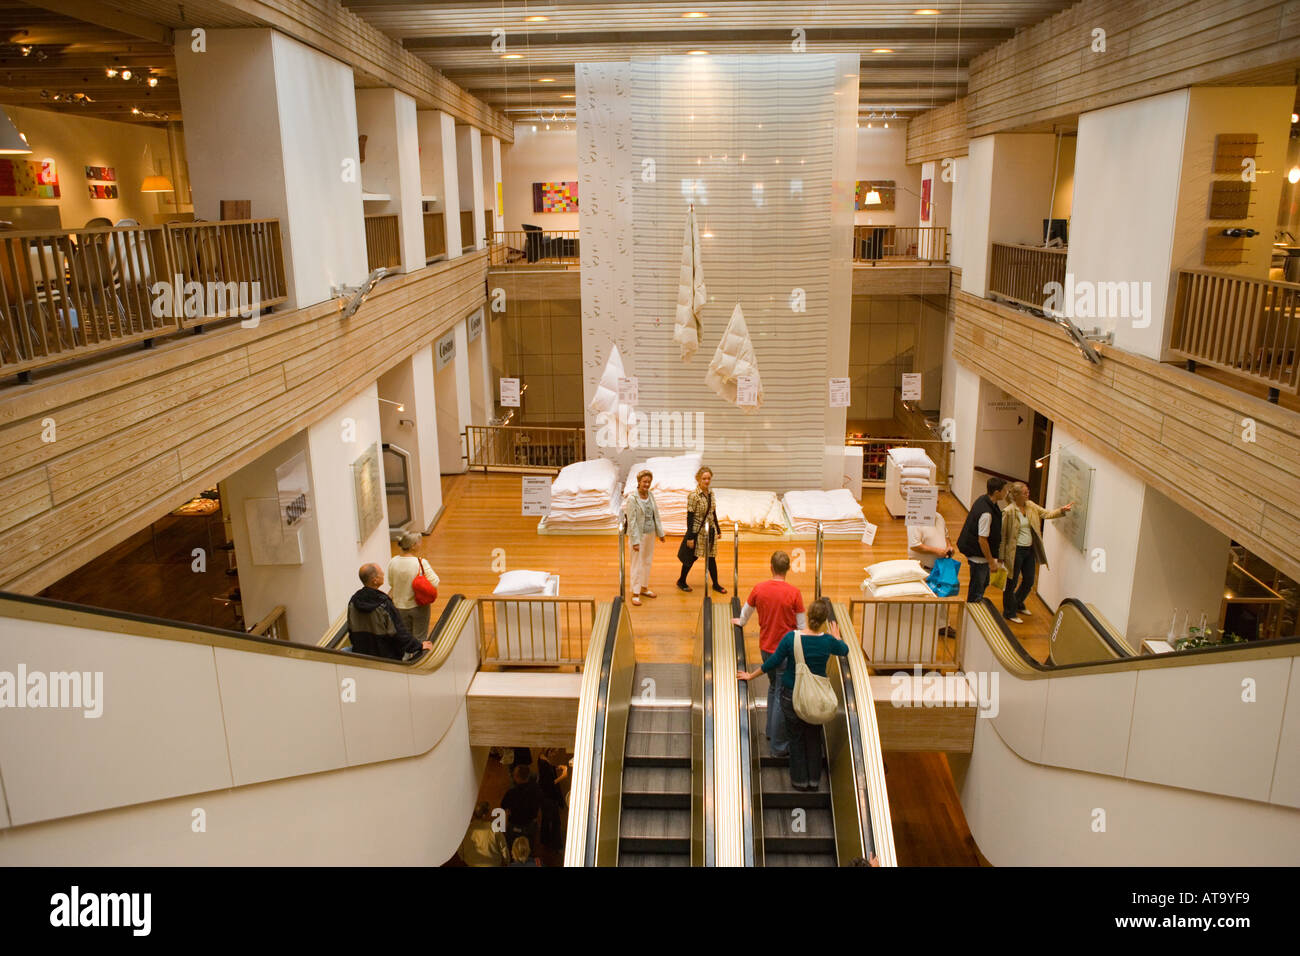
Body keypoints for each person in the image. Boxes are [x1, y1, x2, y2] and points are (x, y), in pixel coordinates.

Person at [738, 597, 848, 792]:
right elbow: (844, 650)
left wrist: (751, 675)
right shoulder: (828, 641)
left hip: (791, 695)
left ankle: (799, 781)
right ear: (823, 621)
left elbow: (772, 662)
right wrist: (837, 637)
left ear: (807, 615)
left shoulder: (791, 638)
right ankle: (814, 780)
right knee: (813, 736)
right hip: (815, 698)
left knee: (795, 739)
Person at [732, 551, 807, 758]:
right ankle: (778, 746)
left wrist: (741, 622)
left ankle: (770, 731)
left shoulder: (760, 589)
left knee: (774, 687)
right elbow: (801, 626)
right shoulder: (794, 593)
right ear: (788, 569)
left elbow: (746, 611)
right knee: (783, 696)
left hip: (766, 649)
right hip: (786, 652)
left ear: (771, 567)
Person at [1000, 482, 1073, 623]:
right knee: (1012, 582)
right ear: (1016, 495)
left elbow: (1046, 514)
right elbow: (1003, 536)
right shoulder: (1009, 511)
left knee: (1029, 580)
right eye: (1025, 493)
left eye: (1028, 492)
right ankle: (1009, 611)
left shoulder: (1031, 506)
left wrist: (1061, 511)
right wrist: (1001, 557)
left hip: (1029, 550)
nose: (1028, 494)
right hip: (1015, 551)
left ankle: (1017, 603)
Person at [346, 564, 434, 660]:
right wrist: (419, 646)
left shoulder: (353, 601)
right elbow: (399, 633)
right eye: (380, 573)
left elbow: (351, 629)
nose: (383, 574)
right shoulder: (383, 604)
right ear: (374, 580)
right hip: (386, 657)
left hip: (361, 653)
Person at [956, 477, 1008, 605]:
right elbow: (982, 540)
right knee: (977, 589)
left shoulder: (983, 500)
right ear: (997, 492)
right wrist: (991, 562)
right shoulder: (987, 513)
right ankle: (971, 614)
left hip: (977, 553)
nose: (1006, 493)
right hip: (978, 557)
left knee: (982, 583)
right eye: (1005, 490)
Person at [677, 466, 726, 594]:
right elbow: (690, 517)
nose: (706, 481)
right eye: (704, 478)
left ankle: (715, 584)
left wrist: (718, 528)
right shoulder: (693, 496)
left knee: (711, 557)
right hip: (697, 531)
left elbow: (713, 512)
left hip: (710, 530)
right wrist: (690, 537)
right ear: (698, 479)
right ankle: (681, 581)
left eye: (709, 478)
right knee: (691, 558)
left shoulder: (711, 494)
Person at [386, 531, 439, 639]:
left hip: (399, 607)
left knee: (405, 638)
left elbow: (391, 583)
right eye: (419, 542)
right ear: (413, 545)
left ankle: (406, 656)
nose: (420, 544)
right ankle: (419, 656)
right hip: (418, 606)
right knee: (420, 638)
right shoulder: (420, 563)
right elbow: (435, 582)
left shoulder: (393, 562)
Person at [624, 469, 665, 606]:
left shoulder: (651, 495)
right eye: (644, 482)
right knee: (637, 564)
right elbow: (632, 521)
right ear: (639, 482)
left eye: (649, 482)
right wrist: (635, 541)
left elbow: (656, 515)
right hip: (638, 535)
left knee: (647, 561)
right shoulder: (632, 499)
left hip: (650, 533)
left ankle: (643, 587)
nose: (647, 484)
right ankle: (635, 593)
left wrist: (660, 533)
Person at [500, 762, 544, 849]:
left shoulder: (511, 793)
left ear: (517, 777)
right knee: (529, 848)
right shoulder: (537, 790)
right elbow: (540, 809)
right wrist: (538, 825)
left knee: (512, 848)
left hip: (514, 826)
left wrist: (504, 828)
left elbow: (505, 809)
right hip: (530, 826)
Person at [458, 801, 508, 867]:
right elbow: (504, 849)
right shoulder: (494, 828)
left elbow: (460, 851)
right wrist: (506, 862)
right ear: (484, 815)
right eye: (489, 812)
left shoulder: (465, 830)